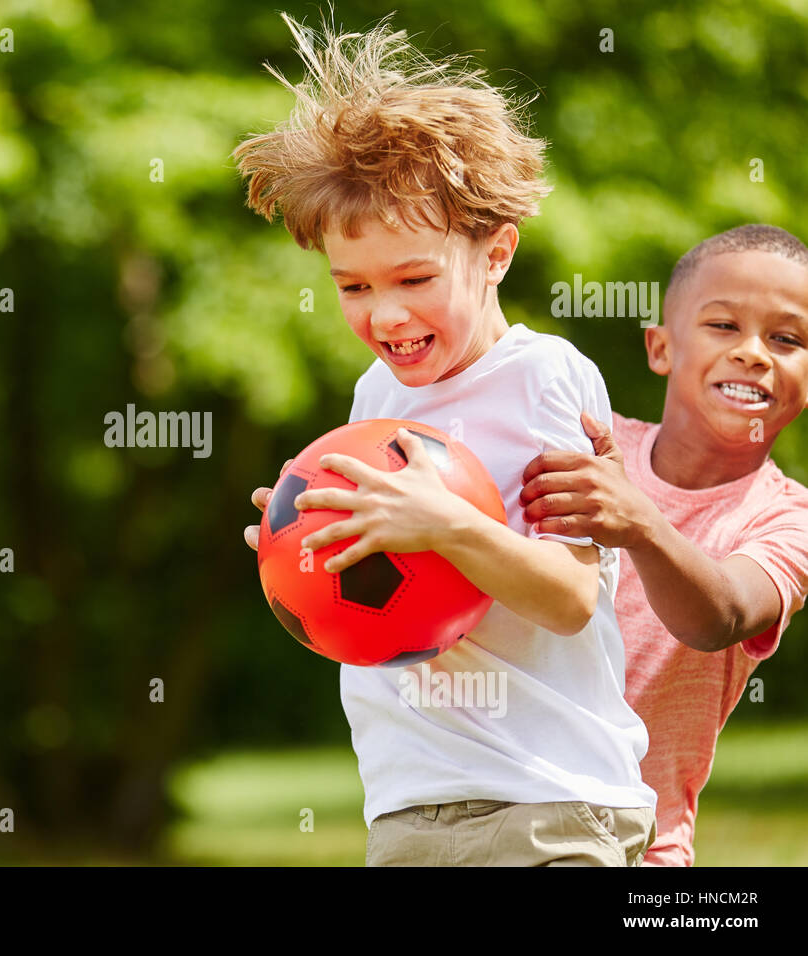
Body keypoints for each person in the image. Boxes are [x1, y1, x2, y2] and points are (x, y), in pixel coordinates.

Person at [234, 11, 655, 865]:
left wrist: (446, 526)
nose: (384, 314)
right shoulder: (374, 395)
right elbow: (402, 609)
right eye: (351, 286)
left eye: (414, 278)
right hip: (409, 803)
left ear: (496, 253)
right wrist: (310, 548)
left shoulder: (546, 378)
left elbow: (571, 600)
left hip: (548, 801)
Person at [519, 224, 808, 865]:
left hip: (636, 845)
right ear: (661, 347)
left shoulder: (789, 519)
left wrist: (640, 525)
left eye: (787, 339)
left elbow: (721, 616)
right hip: (500, 812)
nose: (754, 353)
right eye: (724, 326)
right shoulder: (585, 444)